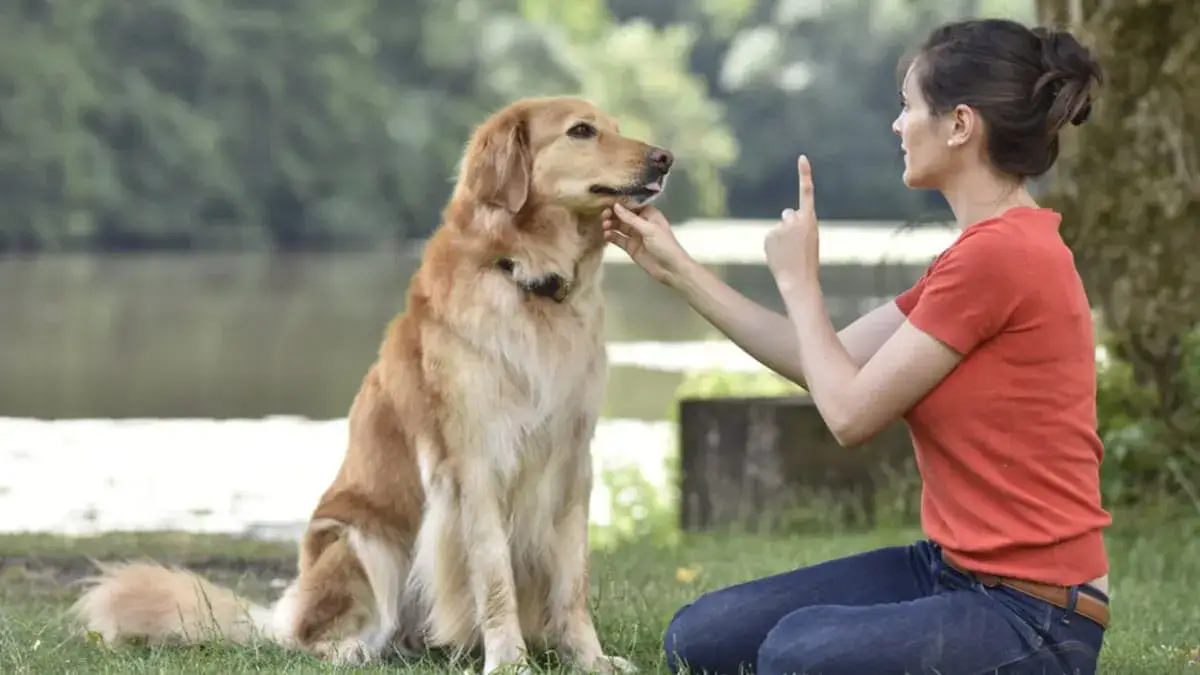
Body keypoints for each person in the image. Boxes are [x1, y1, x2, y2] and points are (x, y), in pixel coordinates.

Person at [601, 17, 1112, 675]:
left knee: (796, 655)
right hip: (953, 572)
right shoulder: (978, 254)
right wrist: (677, 268)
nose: (898, 126)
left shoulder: (1003, 258)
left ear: (960, 124)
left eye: (907, 106)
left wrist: (800, 281)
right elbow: (826, 360)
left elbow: (848, 415)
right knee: (699, 636)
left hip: (1037, 616)